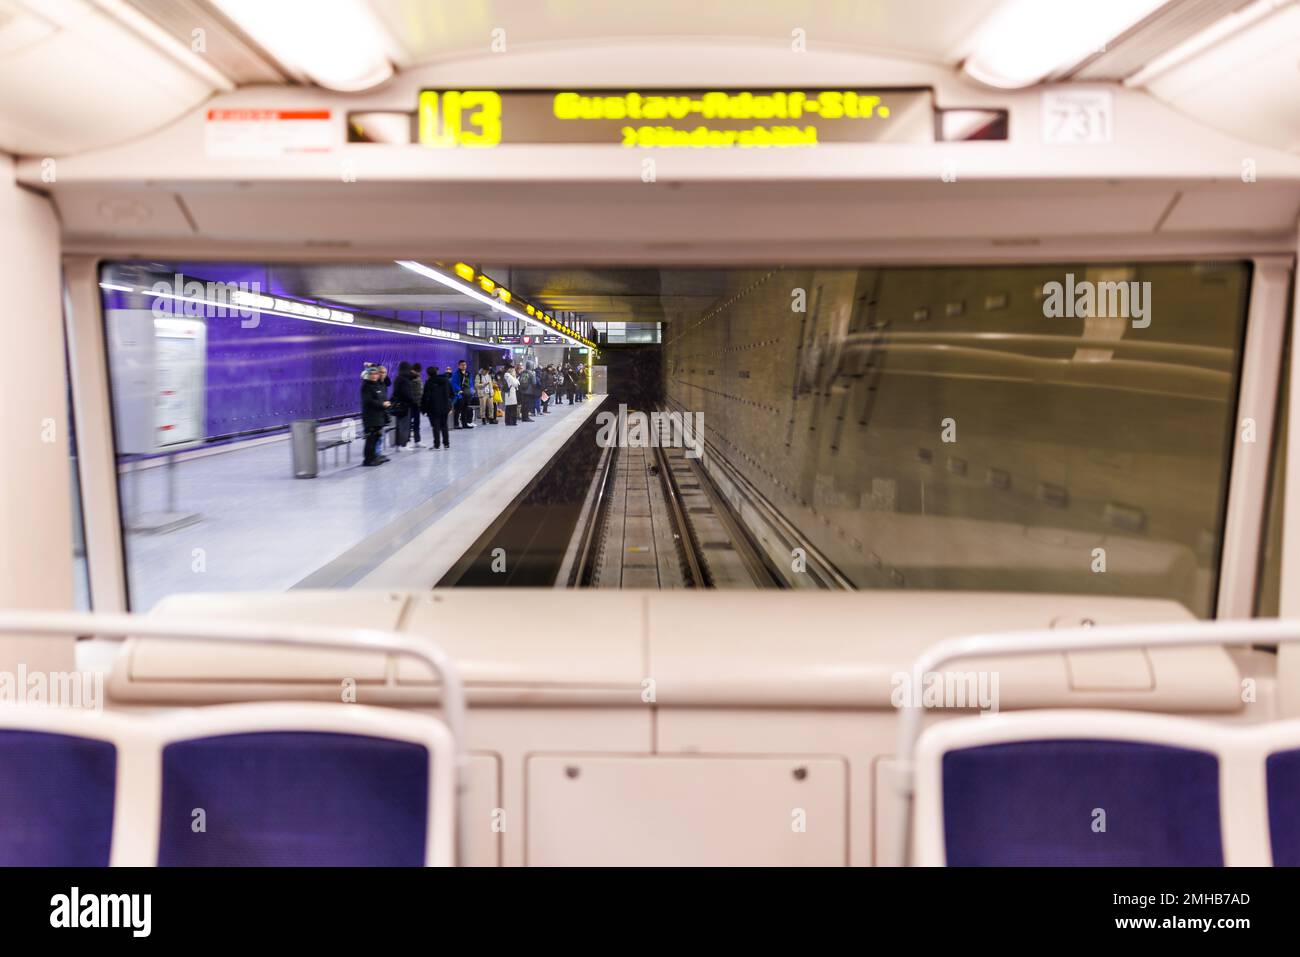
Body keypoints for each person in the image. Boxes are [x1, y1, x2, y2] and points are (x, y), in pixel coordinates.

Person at [360, 366, 391, 466]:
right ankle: (368, 460)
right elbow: (368, 401)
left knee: (376, 437)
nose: (374, 376)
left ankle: (374, 457)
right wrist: (382, 404)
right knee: (371, 439)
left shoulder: (377, 385)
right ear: (368, 375)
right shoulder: (366, 386)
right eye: (372, 374)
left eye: (375, 374)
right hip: (370, 417)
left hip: (378, 417)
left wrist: (385, 403)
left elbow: (381, 396)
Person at [421, 365, 453, 450]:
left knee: (436, 427)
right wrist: (449, 404)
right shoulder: (446, 380)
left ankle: (437, 445)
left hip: (433, 408)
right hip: (445, 407)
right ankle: (446, 444)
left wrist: (423, 409)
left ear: (428, 374)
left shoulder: (429, 382)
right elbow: (452, 393)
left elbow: (425, 397)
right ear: (437, 372)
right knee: (444, 426)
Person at [390, 361, 415, 450]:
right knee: (404, 425)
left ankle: (399, 444)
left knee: (399, 425)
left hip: (398, 404)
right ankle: (403, 444)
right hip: (405, 405)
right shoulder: (405, 380)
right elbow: (407, 394)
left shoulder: (398, 378)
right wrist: (412, 401)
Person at [451, 359, 475, 430]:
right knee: (458, 409)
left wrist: (472, 390)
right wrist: (459, 390)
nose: (464, 366)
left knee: (465, 409)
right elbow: (453, 383)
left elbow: (470, 383)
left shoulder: (468, 373)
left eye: (465, 365)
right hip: (460, 394)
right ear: (459, 366)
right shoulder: (456, 373)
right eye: (462, 365)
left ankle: (464, 424)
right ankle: (456, 424)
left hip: (467, 394)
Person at [409, 363, 424, 446]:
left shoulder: (417, 377)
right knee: (409, 423)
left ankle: (417, 441)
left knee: (416, 423)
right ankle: (406, 442)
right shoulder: (411, 378)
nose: (419, 373)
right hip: (412, 404)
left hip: (416, 404)